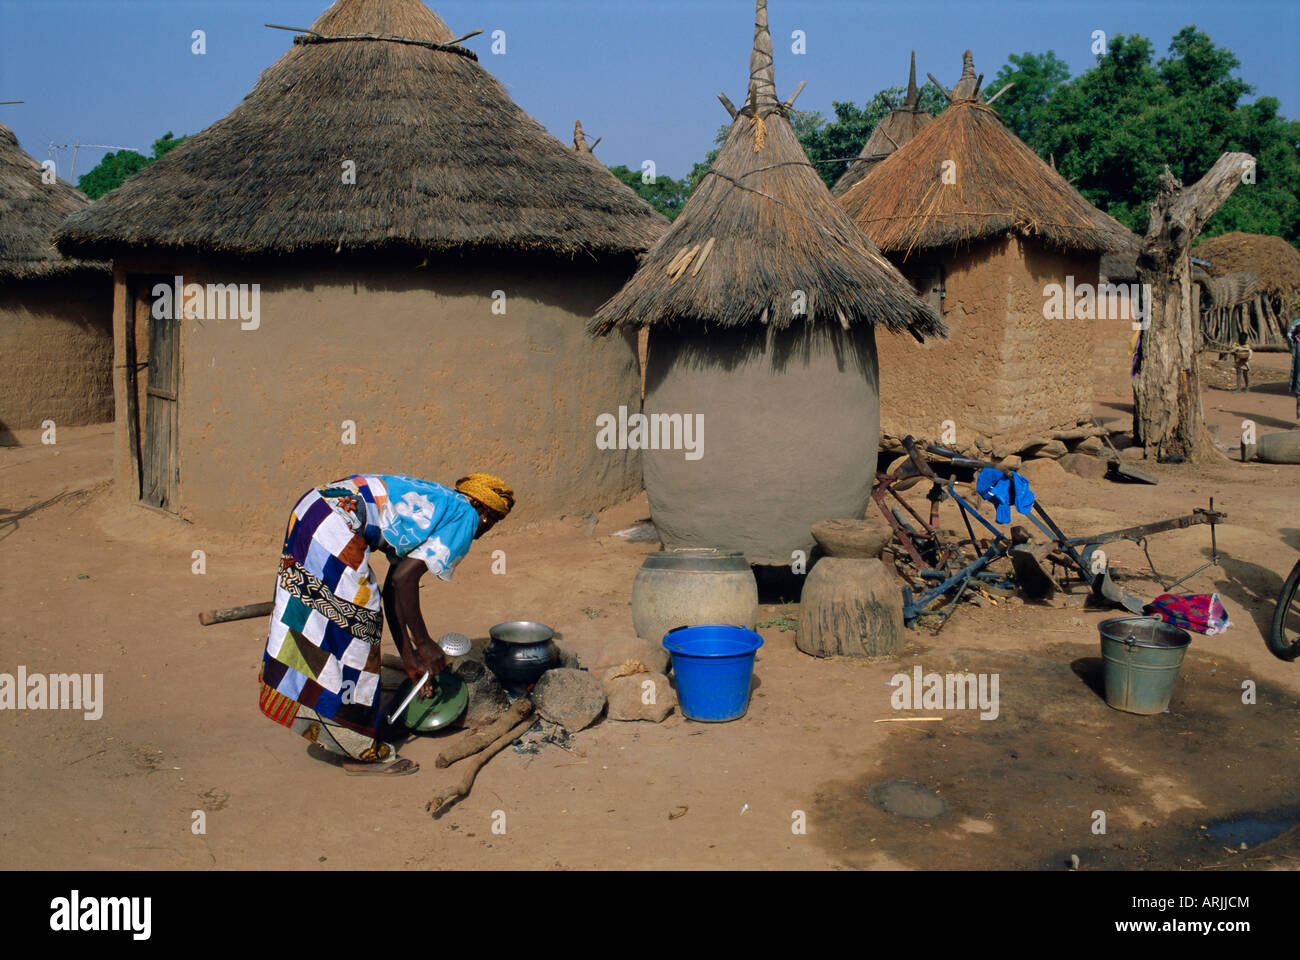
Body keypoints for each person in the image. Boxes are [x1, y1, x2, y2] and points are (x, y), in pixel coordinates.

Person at [258, 473, 514, 775]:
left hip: (312, 508)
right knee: (357, 629)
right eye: (494, 522)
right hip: (336, 524)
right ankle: (357, 748)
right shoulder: (467, 517)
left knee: (319, 618)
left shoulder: (441, 502)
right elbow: (406, 581)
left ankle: (325, 717)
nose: (485, 530)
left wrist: (408, 656)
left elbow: (395, 584)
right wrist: (425, 645)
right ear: (486, 513)